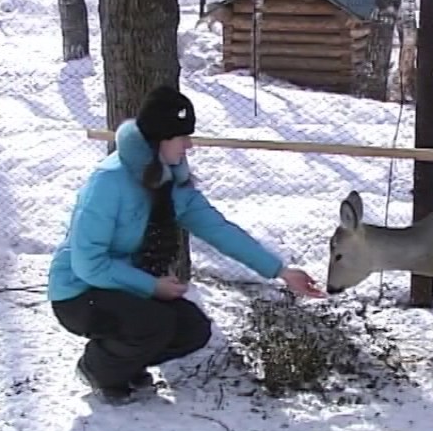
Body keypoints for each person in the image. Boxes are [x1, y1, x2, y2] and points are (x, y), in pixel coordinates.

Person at [48, 84, 325, 405]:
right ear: (160, 139)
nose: (189, 145)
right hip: (78, 292)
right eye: (182, 137)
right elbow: (88, 264)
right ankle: (98, 368)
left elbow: (220, 230)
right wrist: (152, 286)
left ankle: (123, 364)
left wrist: (281, 271)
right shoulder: (108, 182)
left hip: (123, 286)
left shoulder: (172, 184)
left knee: (193, 329)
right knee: (155, 323)